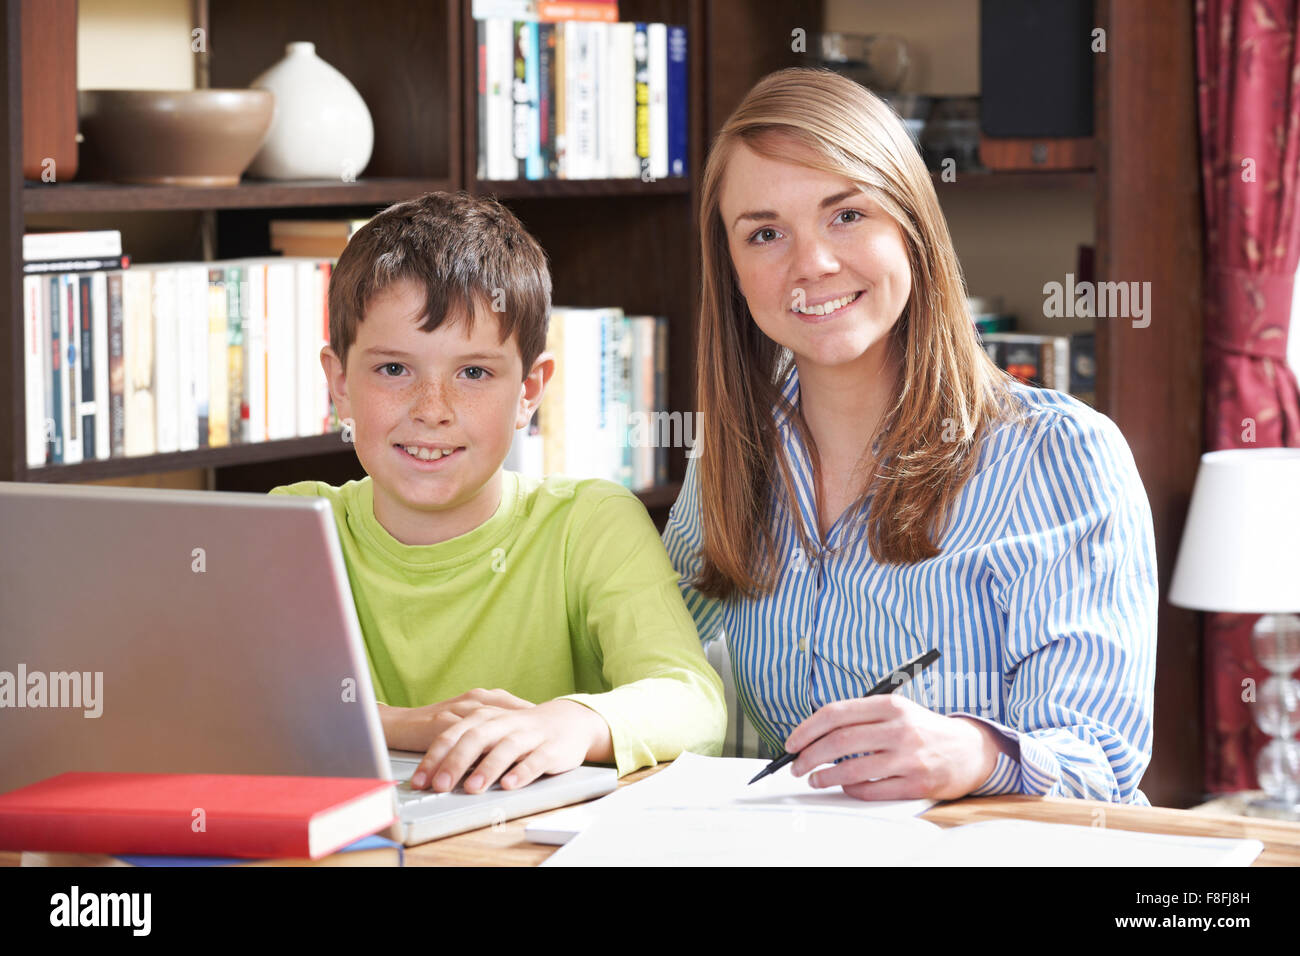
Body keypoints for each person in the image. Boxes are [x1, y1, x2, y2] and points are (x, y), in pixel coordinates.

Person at [663, 68, 1158, 804]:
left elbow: (1100, 767)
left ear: (912, 225)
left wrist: (975, 752)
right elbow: (653, 659)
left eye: (846, 215)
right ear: (731, 269)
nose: (813, 264)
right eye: (765, 233)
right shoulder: (737, 459)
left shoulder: (1060, 456)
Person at [271, 191, 725, 794]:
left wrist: (569, 722)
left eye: (474, 373)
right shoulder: (295, 525)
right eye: (393, 370)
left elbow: (692, 702)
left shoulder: (589, 522)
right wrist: (402, 725)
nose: (432, 411)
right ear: (339, 384)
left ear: (530, 390)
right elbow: (222, 700)